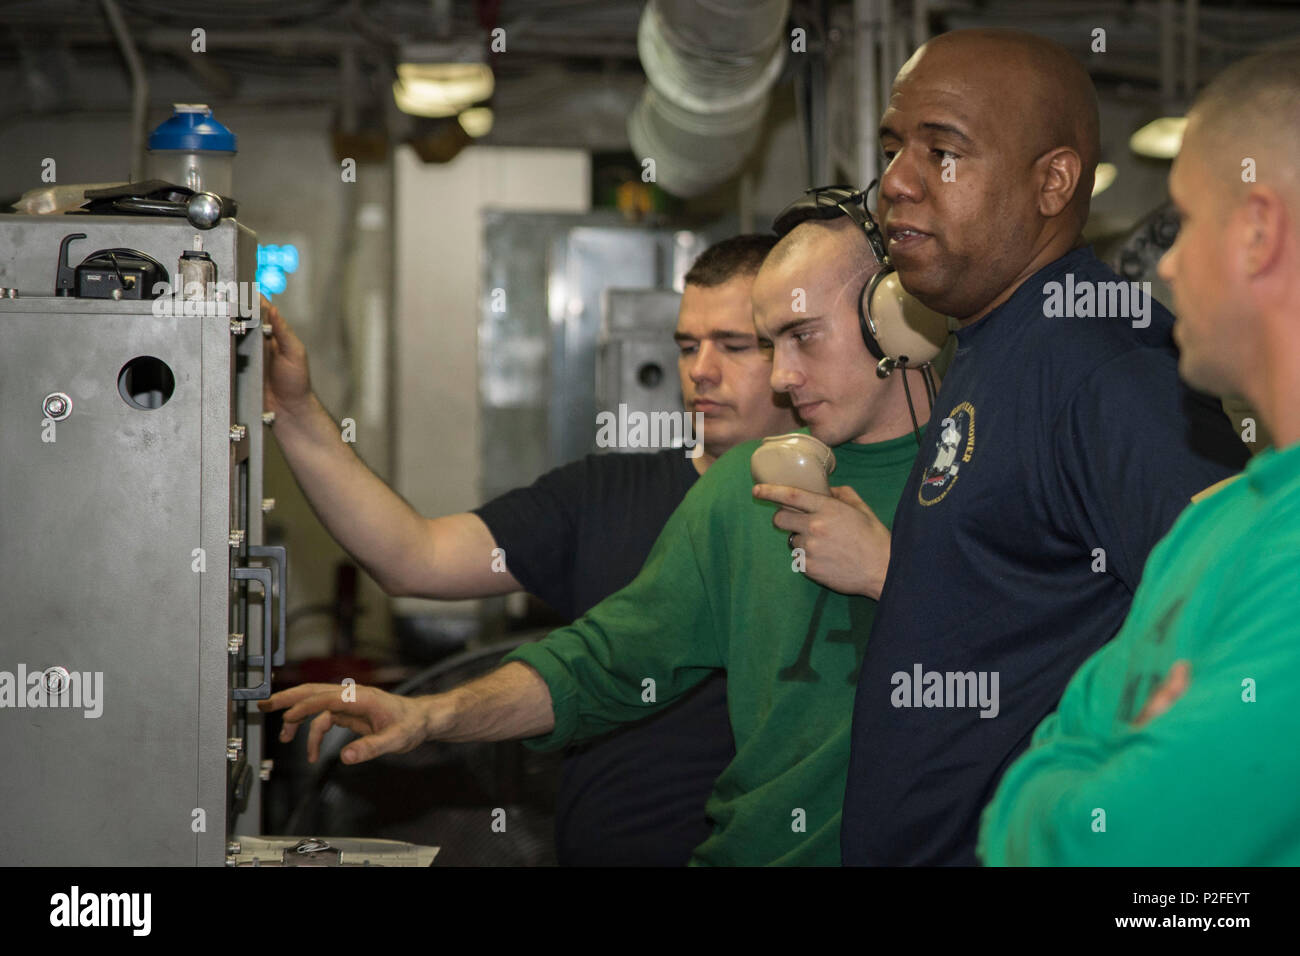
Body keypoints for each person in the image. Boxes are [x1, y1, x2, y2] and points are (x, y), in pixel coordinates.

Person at [260, 214, 931, 865]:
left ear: (894, 321)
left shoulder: (965, 479)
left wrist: (887, 573)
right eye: (688, 346)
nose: (705, 370)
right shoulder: (705, 495)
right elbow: (588, 656)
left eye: (741, 344)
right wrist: (431, 715)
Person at [837, 28, 1251, 865]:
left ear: (1053, 182)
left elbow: (1239, 650)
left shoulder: (1108, 368)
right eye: (891, 149)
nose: (897, 182)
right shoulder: (998, 340)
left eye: (943, 152)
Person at [978, 44, 1300, 865]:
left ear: (1259, 232)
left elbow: (1117, 849)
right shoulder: (1215, 522)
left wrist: (1091, 779)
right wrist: (1091, 782)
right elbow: (1022, 803)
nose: (1168, 264)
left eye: (1186, 221)